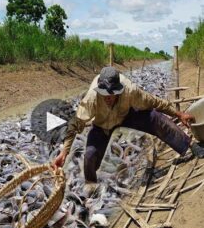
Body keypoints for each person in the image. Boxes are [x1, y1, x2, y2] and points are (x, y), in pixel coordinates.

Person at [52, 66, 204, 183]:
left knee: (155, 118)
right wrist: (64, 152)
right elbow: (74, 125)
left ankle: (189, 144)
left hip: (126, 115)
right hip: (102, 125)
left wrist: (179, 114)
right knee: (90, 155)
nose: (108, 98)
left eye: (112, 94)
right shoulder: (92, 99)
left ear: (119, 90)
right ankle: (90, 184)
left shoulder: (130, 91)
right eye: (104, 94)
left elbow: (155, 102)